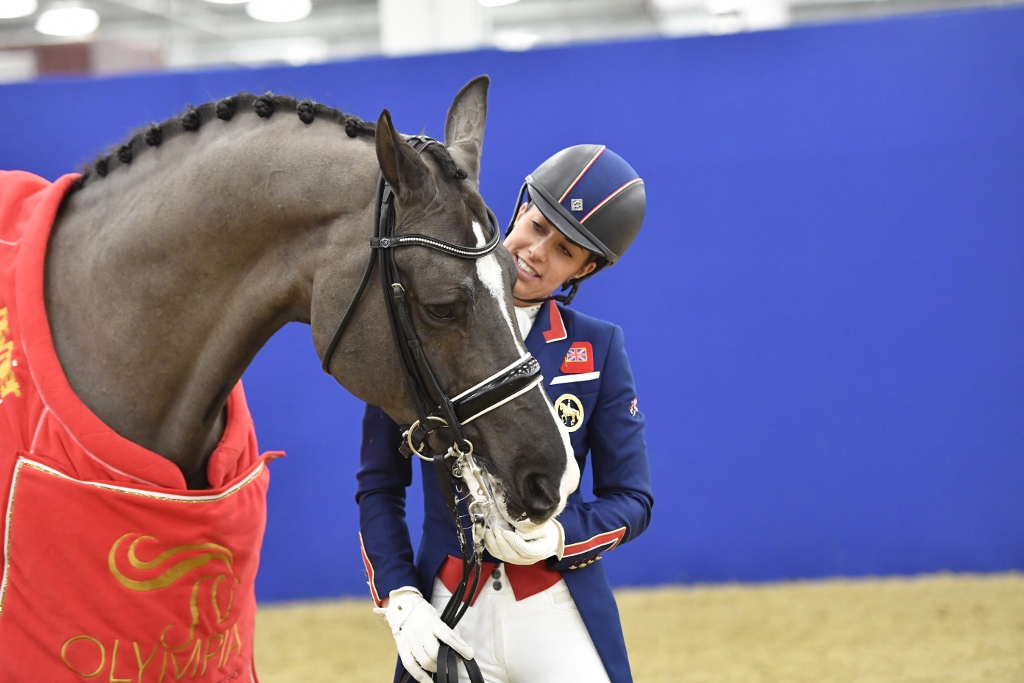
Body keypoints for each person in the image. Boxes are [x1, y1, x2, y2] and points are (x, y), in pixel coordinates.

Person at [356, 144, 653, 683]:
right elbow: (380, 485)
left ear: (585, 268)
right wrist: (400, 597)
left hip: (556, 603)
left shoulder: (600, 347)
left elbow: (633, 501)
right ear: (517, 210)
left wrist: (562, 536)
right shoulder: (419, 328)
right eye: (535, 226)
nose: (536, 252)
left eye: (562, 250)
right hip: (449, 606)